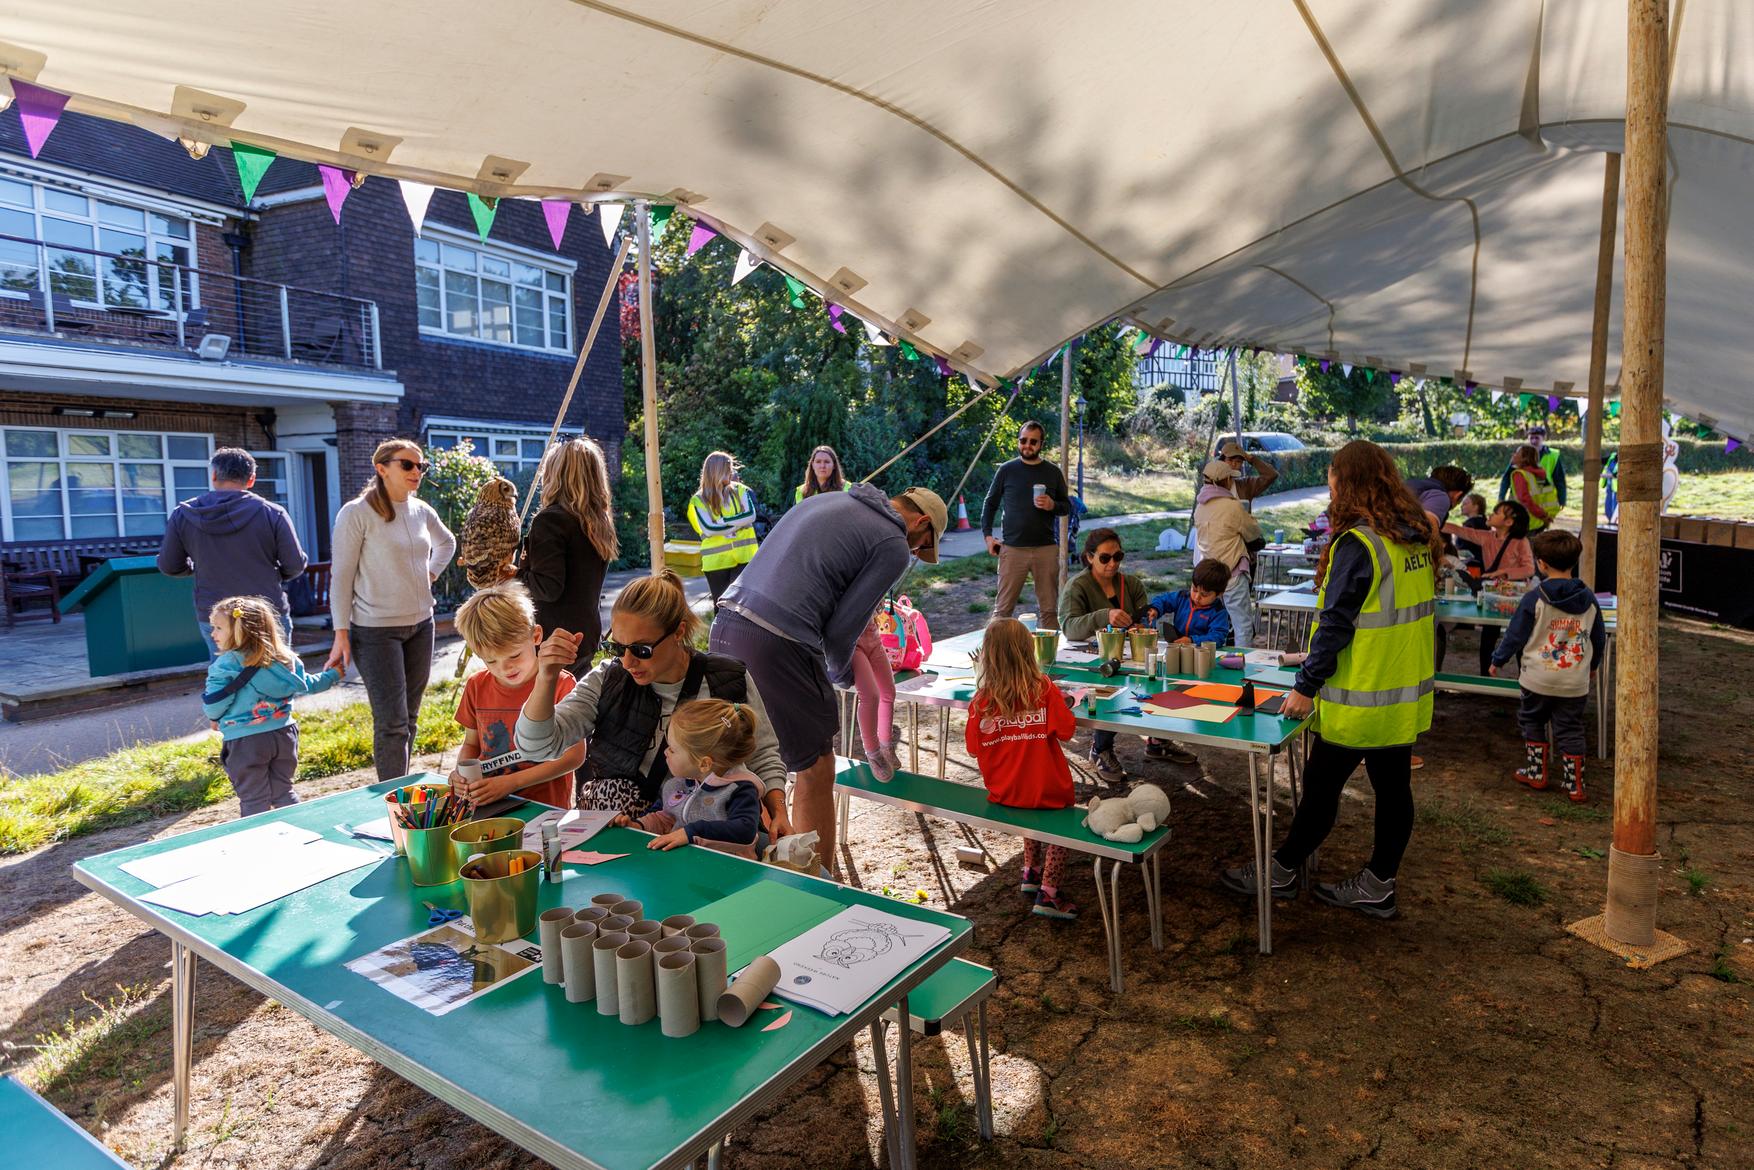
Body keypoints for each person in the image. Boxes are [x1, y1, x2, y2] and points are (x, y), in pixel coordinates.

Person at [1219, 440, 1439, 920]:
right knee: (1393, 788)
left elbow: (1339, 619)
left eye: (1333, 474)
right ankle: (1379, 882)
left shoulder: (1360, 542)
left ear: (1349, 481)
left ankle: (1281, 870)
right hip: (1401, 690)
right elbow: (1383, 616)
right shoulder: (1412, 534)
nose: (1330, 482)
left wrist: (1305, 684)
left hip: (1360, 695)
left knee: (1320, 789)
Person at [711, 484, 948, 874]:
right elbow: (843, 630)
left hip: (725, 625)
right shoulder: (892, 542)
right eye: (922, 546)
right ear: (921, 522)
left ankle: (744, 872)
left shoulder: (831, 499)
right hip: (778, 639)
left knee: (742, 758)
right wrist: (840, 675)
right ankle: (819, 884)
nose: (915, 553)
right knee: (816, 765)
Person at [518, 569, 793, 828]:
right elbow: (536, 747)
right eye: (617, 647)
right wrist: (546, 677)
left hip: (712, 835)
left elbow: (763, 755)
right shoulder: (606, 680)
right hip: (627, 837)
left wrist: (779, 812)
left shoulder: (728, 678)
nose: (627, 662)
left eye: (641, 649)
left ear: (679, 632)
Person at [325, 439, 456, 782]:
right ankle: (393, 801)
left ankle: (405, 793)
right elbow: (341, 577)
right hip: (375, 631)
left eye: (421, 466)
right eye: (408, 465)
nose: (417, 472)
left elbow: (447, 542)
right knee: (392, 723)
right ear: (382, 468)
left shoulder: (421, 510)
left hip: (421, 626)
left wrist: (428, 574)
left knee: (410, 718)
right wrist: (341, 633)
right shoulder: (356, 513)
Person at [964, 619, 1080, 920]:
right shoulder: (1043, 689)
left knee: (1031, 802)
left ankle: (1031, 871)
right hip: (1048, 792)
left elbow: (973, 748)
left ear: (988, 656)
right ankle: (1049, 893)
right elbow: (1067, 730)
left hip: (1004, 792)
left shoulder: (981, 701)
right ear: (1029, 652)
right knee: (1059, 821)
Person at [1059, 527, 1194, 777]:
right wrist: (1104, 616)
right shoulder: (1077, 586)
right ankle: (1100, 749)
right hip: (1092, 661)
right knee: (1113, 690)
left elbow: (1144, 616)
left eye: (1118, 557)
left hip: (1131, 656)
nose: (1112, 564)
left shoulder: (1130, 584)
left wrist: (1144, 623)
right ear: (1089, 557)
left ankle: (1156, 740)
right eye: (1105, 558)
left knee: (1158, 680)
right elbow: (1069, 628)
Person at [157, 447, 307, 657]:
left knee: (225, 680)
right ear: (252, 479)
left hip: (215, 613)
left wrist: (197, 568)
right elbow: (295, 565)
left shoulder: (183, 514)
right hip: (266, 610)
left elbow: (169, 565)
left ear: (214, 476)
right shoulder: (272, 513)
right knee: (276, 678)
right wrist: (272, 574)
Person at [449, 582, 586, 809]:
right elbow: (471, 744)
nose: (505, 668)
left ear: (536, 636)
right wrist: (462, 774)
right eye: (491, 661)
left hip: (544, 810)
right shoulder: (476, 685)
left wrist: (510, 783)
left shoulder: (559, 684)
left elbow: (574, 756)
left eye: (514, 655)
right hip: (491, 806)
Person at [1491, 530, 1604, 802]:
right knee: (1571, 728)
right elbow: (1597, 638)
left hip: (1537, 679)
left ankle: (1536, 773)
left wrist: (1498, 659)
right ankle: (1575, 784)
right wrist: (1593, 665)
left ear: (1541, 564)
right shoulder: (1589, 599)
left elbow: (1515, 635)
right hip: (1574, 681)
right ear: (1574, 561)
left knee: (1532, 720)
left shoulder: (1535, 598)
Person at [201, 595, 341, 816]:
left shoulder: (226, 665)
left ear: (240, 632)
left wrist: (214, 718)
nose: (213, 634)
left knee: (253, 798)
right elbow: (308, 685)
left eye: (218, 628)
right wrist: (333, 675)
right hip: (284, 734)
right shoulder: (287, 660)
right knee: (283, 791)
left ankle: (259, 841)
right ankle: (299, 831)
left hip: (245, 741)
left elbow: (215, 704)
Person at [615, 698, 765, 858]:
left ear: (704, 764)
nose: (665, 752)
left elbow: (745, 830)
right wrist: (637, 825)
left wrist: (691, 832)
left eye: (672, 749)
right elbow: (664, 818)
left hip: (727, 871)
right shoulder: (677, 784)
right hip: (685, 865)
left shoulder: (739, 789)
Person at [517, 437, 617, 676]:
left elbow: (547, 587)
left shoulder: (550, 520)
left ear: (556, 474)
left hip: (553, 639)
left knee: (550, 711)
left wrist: (513, 574)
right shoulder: (597, 522)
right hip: (585, 632)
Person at [982, 421, 1071, 626]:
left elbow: (1066, 506)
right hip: (1013, 549)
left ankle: (1050, 656)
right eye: (1023, 440)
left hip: (1046, 549)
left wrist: (1051, 505)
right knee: (1003, 611)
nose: (1027, 445)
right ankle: (992, 656)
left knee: (1049, 611)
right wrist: (988, 537)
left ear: (1041, 444)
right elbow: (990, 503)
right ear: (1018, 441)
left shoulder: (1052, 472)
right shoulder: (1007, 470)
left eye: (1033, 442)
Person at [1443, 501, 1534, 673]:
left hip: (1516, 597)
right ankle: (1485, 674)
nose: (1490, 515)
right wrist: (1435, 521)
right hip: (1493, 594)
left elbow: (1529, 569)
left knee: (1520, 637)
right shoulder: (1487, 537)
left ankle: (1525, 677)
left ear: (1509, 522)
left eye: (1497, 512)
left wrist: (1502, 572)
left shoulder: (1521, 541)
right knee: (1488, 634)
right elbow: (1461, 531)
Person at [1192, 459, 1264, 650]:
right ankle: (1243, 666)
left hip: (1210, 576)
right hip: (1232, 574)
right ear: (1224, 481)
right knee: (1243, 626)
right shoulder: (1231, 506)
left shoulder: (1200, 508)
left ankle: (1214, 662)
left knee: (1216, 623)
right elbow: (1254, 533)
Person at [1189, 439, 1280, 560]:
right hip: (1215, 545)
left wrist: (1251, 459)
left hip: (1242, 548)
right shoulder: (1211, 486)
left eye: (1238, 461)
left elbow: (1271, 475)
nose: (1233, 464)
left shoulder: (1245, 485)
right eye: (1230, 460)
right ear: (1222, 461)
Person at [688, 450, 760, 603]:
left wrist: (722, 523)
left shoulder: (741, 490)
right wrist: (737, 525)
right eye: (728, 468)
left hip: (745, 557)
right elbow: (708, 529)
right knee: (720, 606)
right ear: (717, 470)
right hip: (716, 563)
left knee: (742, 604)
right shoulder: (698, 499)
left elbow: (751, 516)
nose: (732, 472)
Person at [849, 612, 899, 781]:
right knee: (870, 696)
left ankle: (886, 745)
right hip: (852, 643)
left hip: (873, 636)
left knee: (888, 692)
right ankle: (873, 753)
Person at [1144, 558, 1234, 646]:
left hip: (1203, 654)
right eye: (1194, 590)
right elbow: (1162, 600)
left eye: (1204, 595)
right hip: (1178, 647)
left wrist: (1193, 640)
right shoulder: (1182, 597)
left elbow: (1217, 637)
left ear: (1219, 594)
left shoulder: (1218, 612)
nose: (1197, 597)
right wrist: (1155, 609)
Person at [1497, 424, 1567, 512]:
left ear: (1543, 438)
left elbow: (1559, 480)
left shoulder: (1553, 456)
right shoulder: (1520, 455)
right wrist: (1501, 496)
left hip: (1540, 497)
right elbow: (1507, 477)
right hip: (1519, 497)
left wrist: (1562, 499)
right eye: (1531, 438)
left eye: (1537, 438)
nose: (1533, 441)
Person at [1504, 444, 1560, 533]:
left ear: (1524, 458)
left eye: (1517, 453)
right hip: (1540, 521)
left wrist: (1542, 515)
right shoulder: (1539, 475)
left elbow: (1525, 499)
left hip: (1525, 521)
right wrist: (1545, 515)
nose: (1513, 454)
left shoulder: (1520, 474)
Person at [1405, 465, 1474, 530]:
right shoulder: (1441, 497)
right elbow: (1427, 531)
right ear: (1457, 495)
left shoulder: (1409, 484)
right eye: (1460, 500)